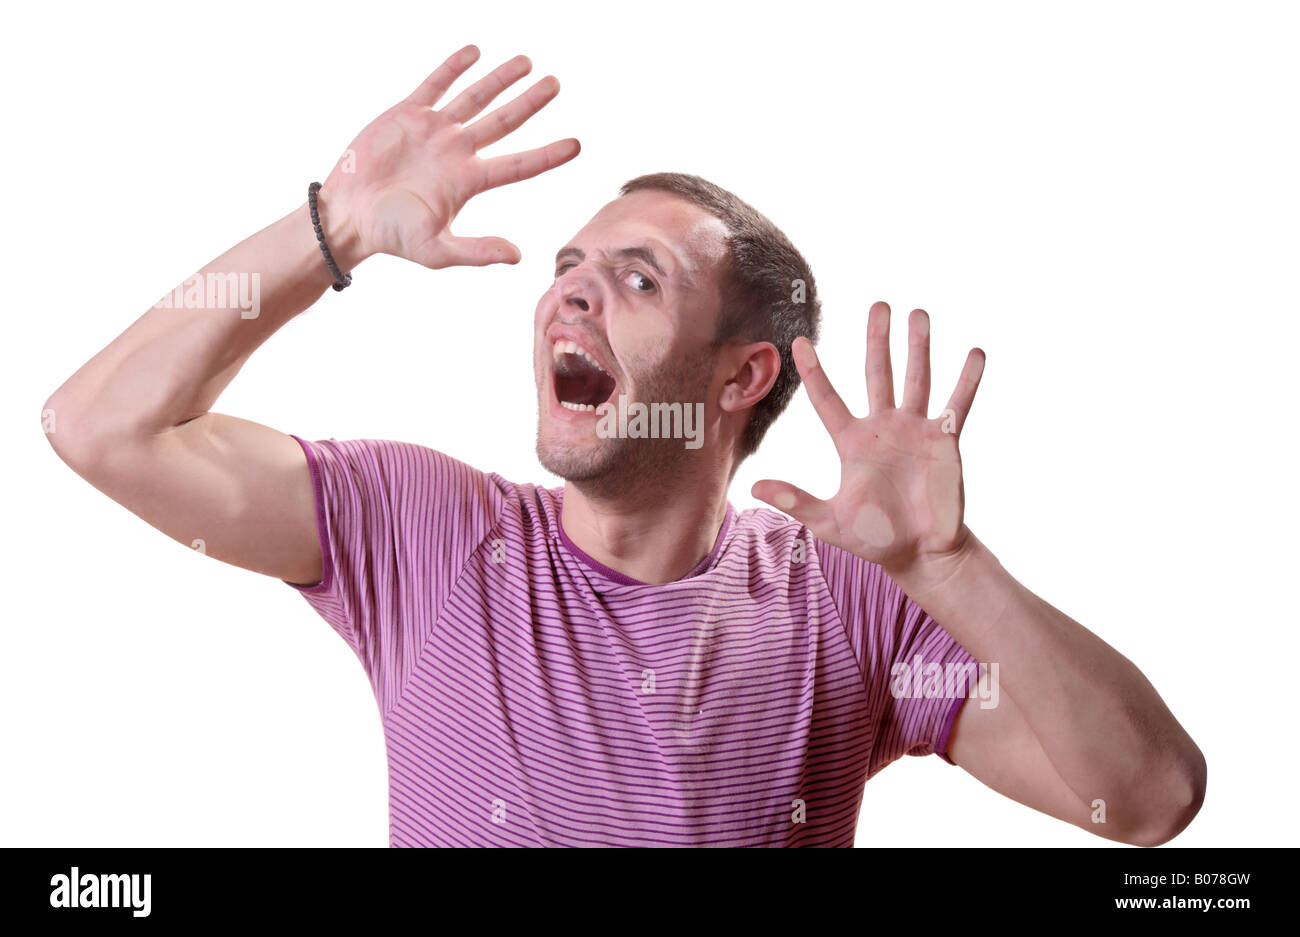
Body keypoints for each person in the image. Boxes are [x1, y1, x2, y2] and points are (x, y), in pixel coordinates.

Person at [43, 45, 1205, 847]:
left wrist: (952, 569)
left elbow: (1147, 800)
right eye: (569, 270)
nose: (571, 295)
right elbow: (98, 426)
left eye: (637, 280)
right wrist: (332, 228)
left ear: (741, 378)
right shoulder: (421, 532)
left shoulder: (851, 602)